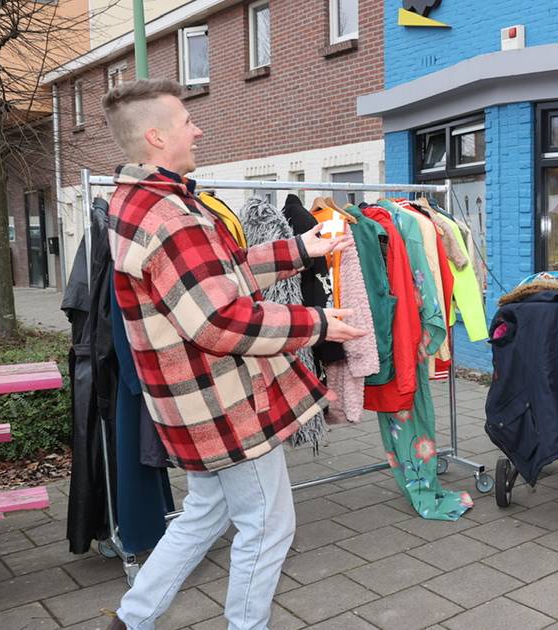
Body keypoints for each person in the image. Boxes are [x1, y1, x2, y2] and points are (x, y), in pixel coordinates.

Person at [100, 78, 367, 630]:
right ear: (156, 136)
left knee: (204, 515)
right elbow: (220, 318)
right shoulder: (170, 216)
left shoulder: (151, 202)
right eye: (185, 121)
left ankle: (131, 618)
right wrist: (318, 324)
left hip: (197, 403)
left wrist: (299, 248)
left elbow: (218, 275)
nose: (197, 128)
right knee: (268, 527)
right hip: (223, 403)